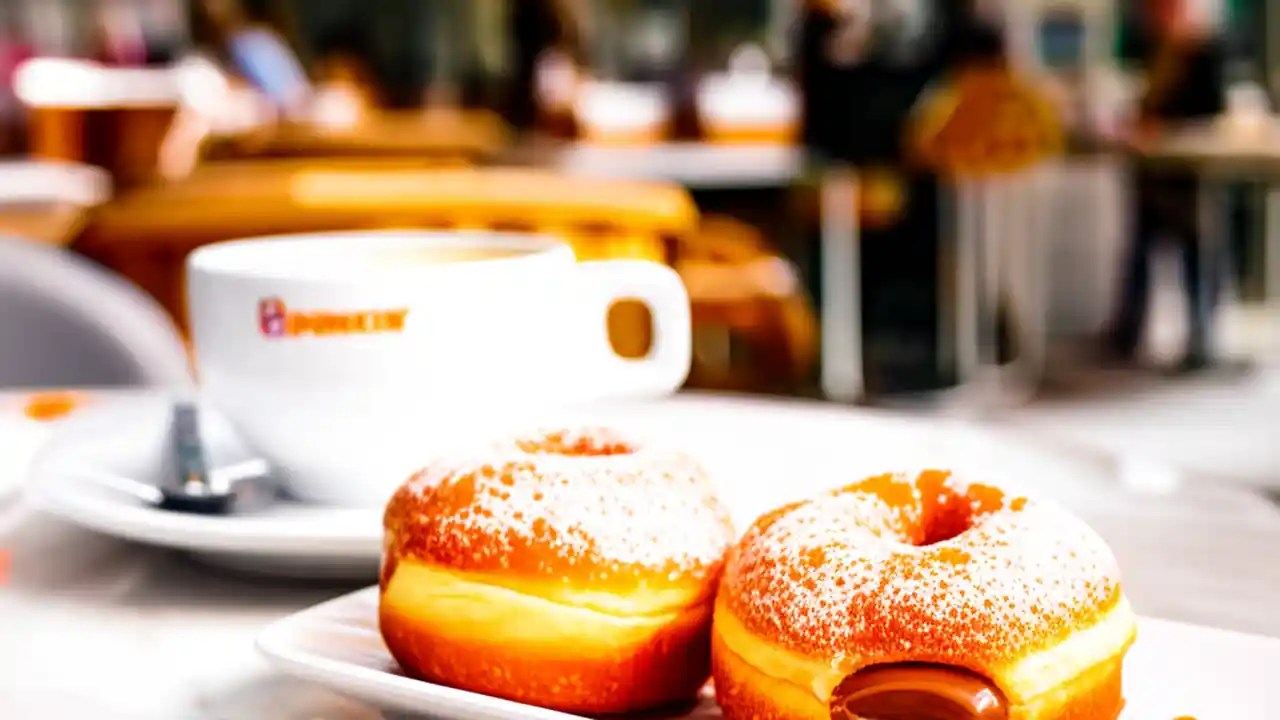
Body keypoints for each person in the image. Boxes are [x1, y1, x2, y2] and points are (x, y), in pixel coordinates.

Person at [1110, 0, 1226, 371]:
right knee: (1140, 251)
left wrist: (1164, 131)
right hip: (1151, 168)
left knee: (1196, 251)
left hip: (1189, 171)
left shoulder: (1203, 53)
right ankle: (1128, 334)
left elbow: (1212, 114)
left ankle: (1201, 338)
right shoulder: (1149, 50)